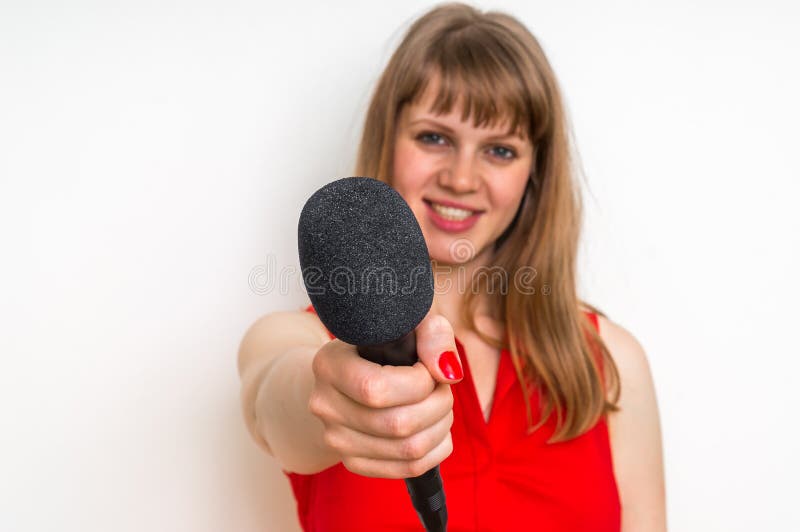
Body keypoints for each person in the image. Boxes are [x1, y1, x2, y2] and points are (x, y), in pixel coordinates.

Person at [238, 2, 666, 531]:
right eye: (434, 137)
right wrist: (336, 394)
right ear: (388, 140)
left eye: (500, 150)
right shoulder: (298, 339)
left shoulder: (610, 362)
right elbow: (273, 402)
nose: (462, 179)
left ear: (535, 174)